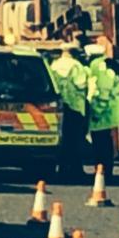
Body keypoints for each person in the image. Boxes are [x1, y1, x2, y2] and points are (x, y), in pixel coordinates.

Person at [85, 42, 119, 181]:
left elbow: (102, 92)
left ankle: (103, 169)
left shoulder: (98, 68)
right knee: (104, 139)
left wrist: (97, 112)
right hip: (109, 110)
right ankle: (104, 168)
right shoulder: (105, 65)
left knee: (101, 141)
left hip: (104, 111)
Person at [49, 43, 89, 179]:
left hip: (60, 107)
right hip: (75, 107)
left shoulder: (54, 65)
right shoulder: (76, 66)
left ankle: (62, 167)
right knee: (76, 138)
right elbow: (81, 84)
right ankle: (76, 168)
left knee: (63, 138)